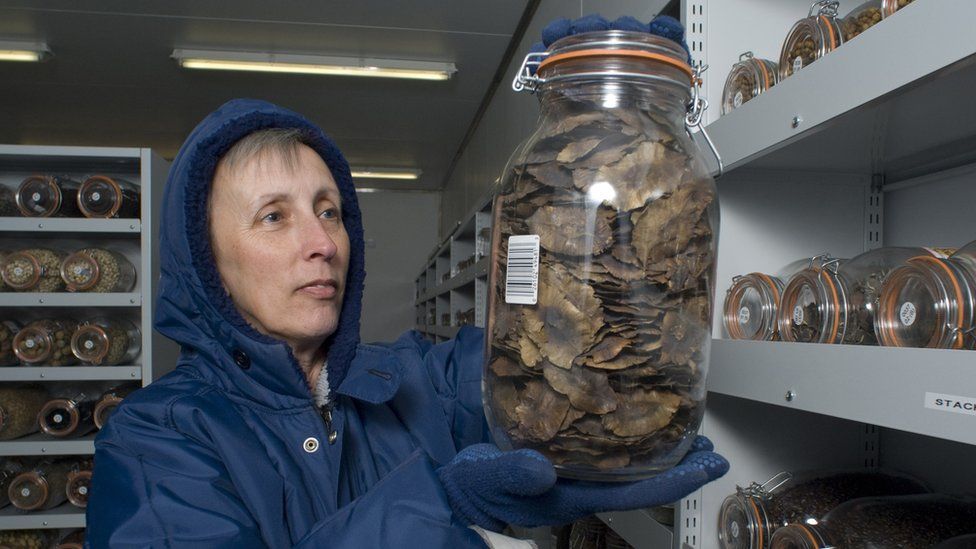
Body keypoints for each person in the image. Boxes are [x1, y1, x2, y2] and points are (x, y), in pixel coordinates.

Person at [85, 20, 727, 548]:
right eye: (274, 216)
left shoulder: (407, 382)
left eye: (329, 211)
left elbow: (538, 362)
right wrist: (439, 509)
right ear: (205, 261)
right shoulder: (153, 441)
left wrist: (619, 105)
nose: (323, 243)